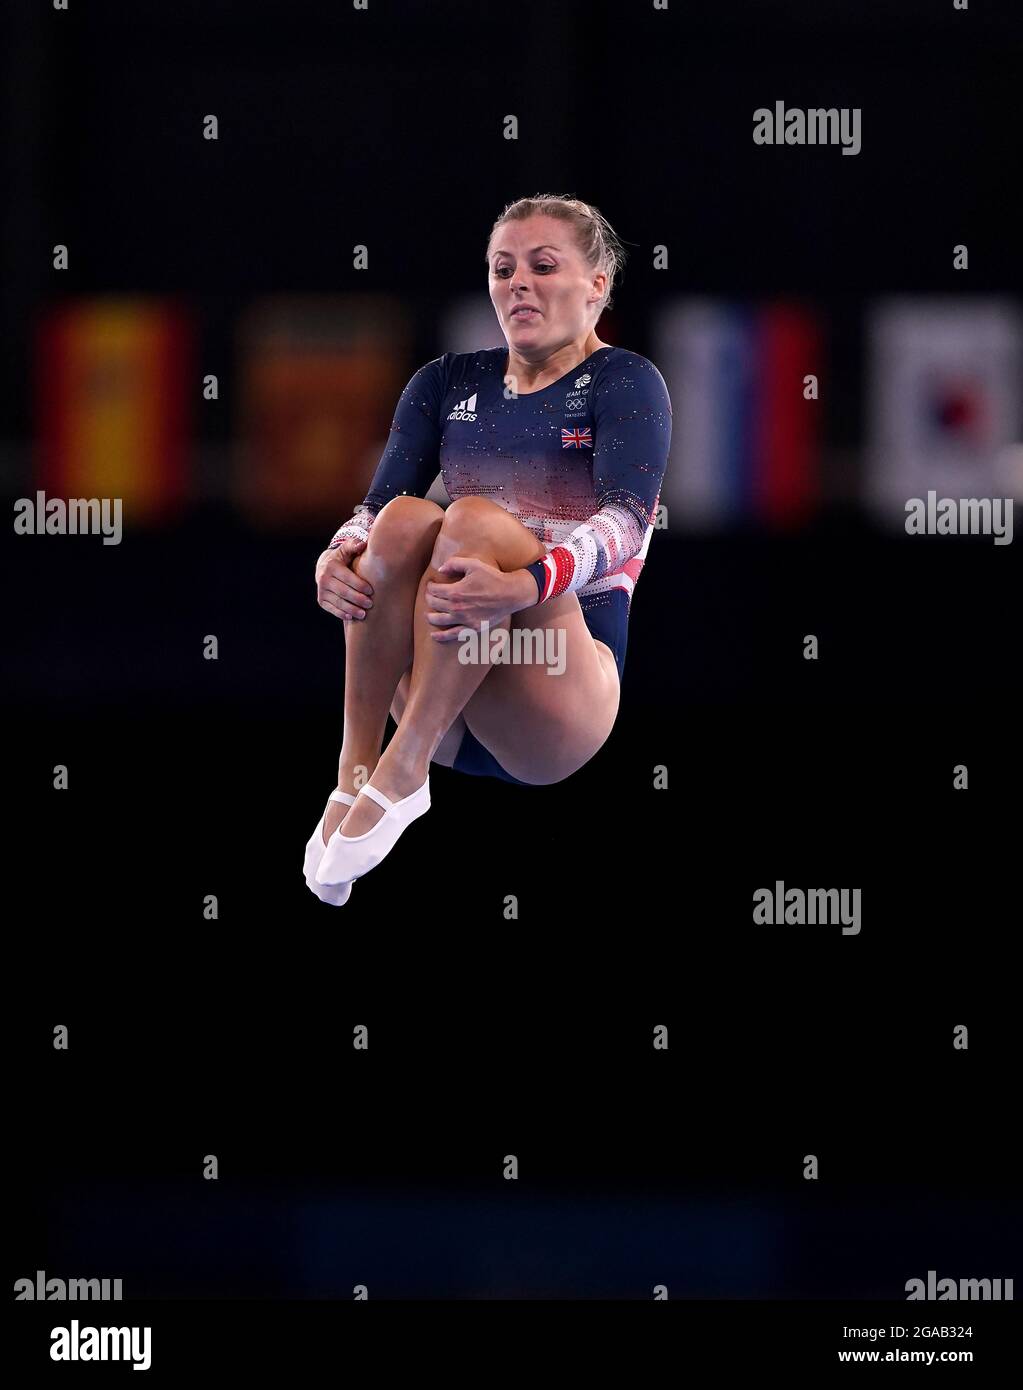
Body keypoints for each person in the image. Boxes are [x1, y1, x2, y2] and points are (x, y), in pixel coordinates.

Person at [304, 194, 672, 905]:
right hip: (444, 686)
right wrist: (336, 556)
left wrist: (528, 584)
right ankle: (357, 771)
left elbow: (626, 523)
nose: (518, 283)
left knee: (468, 518)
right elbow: (373, 512)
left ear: (596, 283)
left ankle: (404, 768)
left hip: (557, 685)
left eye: (542, 265)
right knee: (407, 522)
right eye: (503, 268)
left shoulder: (626, 382)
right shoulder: (444, 383)